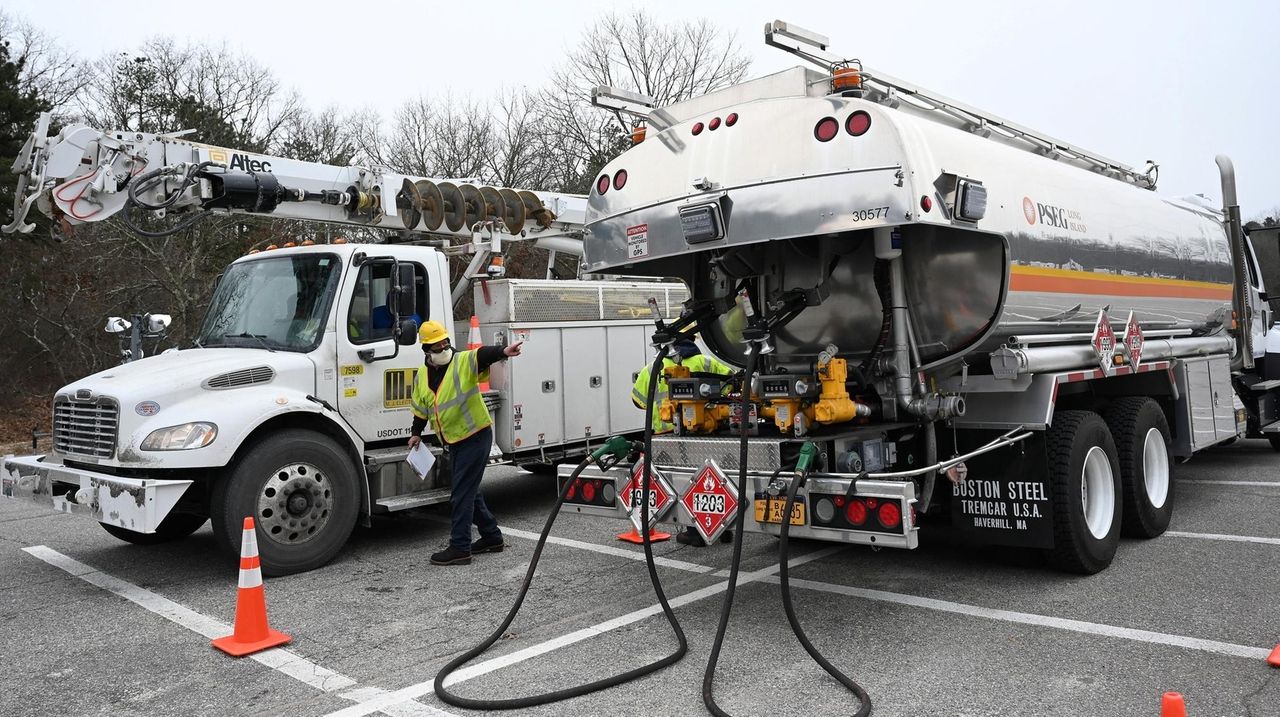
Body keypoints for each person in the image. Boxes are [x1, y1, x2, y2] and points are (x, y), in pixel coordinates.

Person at [409, 320, 523, 566]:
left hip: (475, 436)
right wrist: (416, 432)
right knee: (469, 490)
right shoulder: (421, 375)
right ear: (426, 350)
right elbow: (420, 408)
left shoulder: (461, 361)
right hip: (453, 440)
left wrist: (503, 351)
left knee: (461, 494)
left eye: (446, 343)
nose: (443, 349)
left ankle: (460, 547)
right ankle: (492, 537)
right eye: (437, 347)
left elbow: (482, 355)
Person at [632, 337, 735, 547]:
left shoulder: (652, 368)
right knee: (712, 481)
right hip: (706, 432)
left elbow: (638, 401)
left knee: (684, 483)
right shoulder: (706, 362)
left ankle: (694, 532)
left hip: (667, 435)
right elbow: (732, 384)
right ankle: (723, 530)